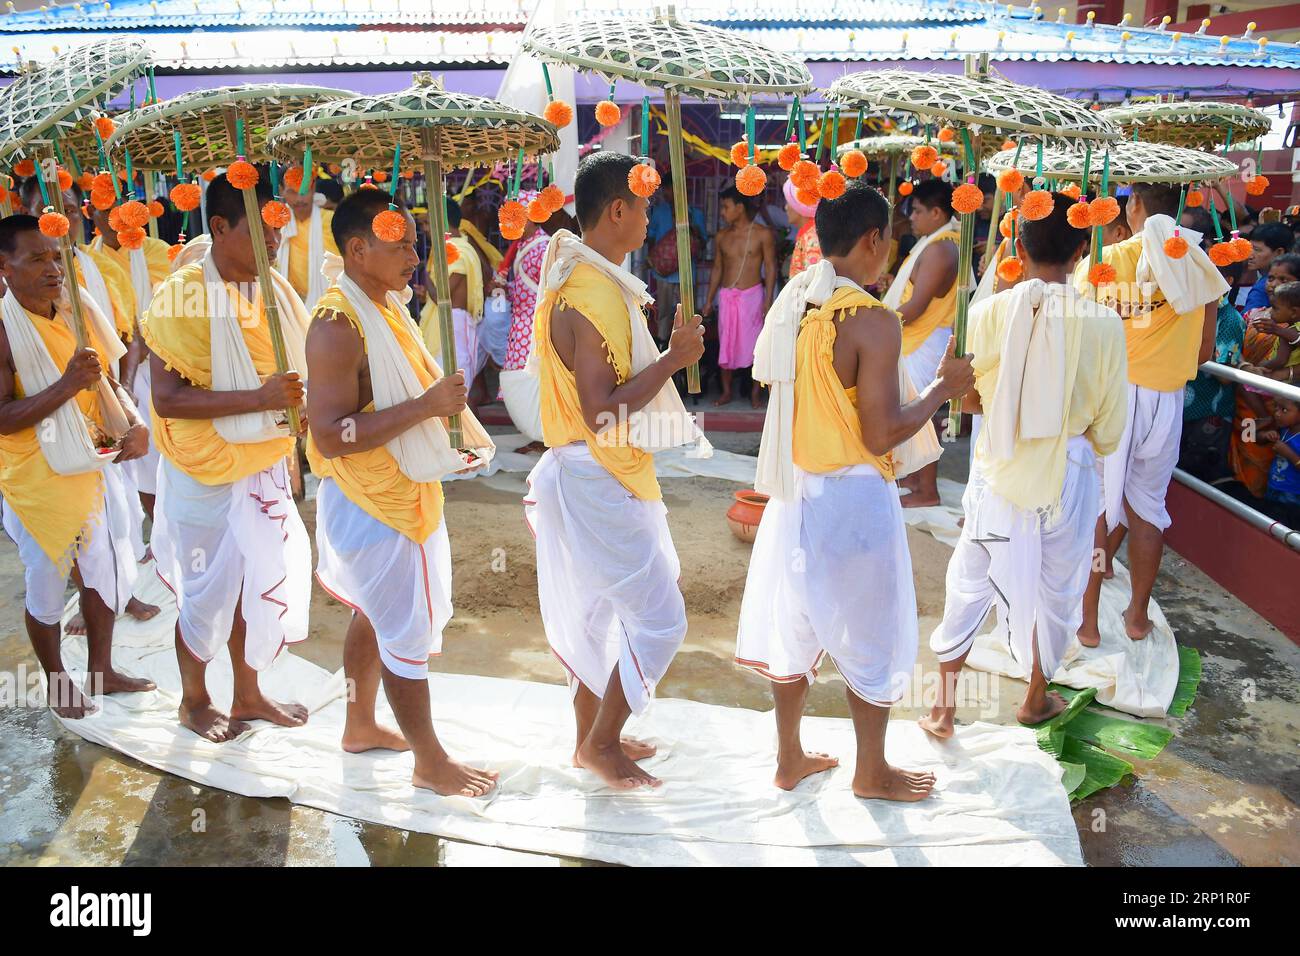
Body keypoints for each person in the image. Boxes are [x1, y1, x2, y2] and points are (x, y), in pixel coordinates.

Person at [736, 179, 972, 798]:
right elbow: (881, 434)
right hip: (853, 501)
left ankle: (789, 757)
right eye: (890, 238)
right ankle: (871, 771)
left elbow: (769, 381)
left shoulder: (797, 302)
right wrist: (942, 391)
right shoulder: (871, 320)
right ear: (872, 240)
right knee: (870, 631)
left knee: (795, 629)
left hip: (796, 496)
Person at [304, 189, 499, 797]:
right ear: (358, 249)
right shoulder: (338, 325)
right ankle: (428, 759)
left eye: (415, 242)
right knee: (404, 632)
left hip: (391, 495)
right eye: (401, 244)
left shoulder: (383, 305)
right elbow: (331, 437)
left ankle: (360, 724)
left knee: (374, 614)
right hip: (372, 503)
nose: (414, 255)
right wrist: (426, 406)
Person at [524, 151, 706, 790]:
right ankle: (601, 743)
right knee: (661, 621)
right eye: (646, 204)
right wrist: (676, 359)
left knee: (600, 614)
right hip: (596, 472)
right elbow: (602, 412)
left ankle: (589, 738)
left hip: (593, 472)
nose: (652, 216)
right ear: (619, 209)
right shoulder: (592, 288)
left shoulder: (584, 278)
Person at [923, 194, 1127, 736]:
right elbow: (1109, 426)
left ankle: (942, 710)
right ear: (1084, 248)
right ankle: (1035, 698)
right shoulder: (1105, 323)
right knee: (1058, 589)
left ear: (1016, 245)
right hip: (1074, 469)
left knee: (971, 579)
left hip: (1002, 466)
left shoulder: (987, 312)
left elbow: (962, 398)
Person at [142, 173, 313, 742]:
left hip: (263, 463)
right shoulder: (183, 294)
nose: (275, 238)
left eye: (278, 224)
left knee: (254, 580)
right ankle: (193, 700)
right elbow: (166, 399)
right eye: (262, 226)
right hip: (203, 472)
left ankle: (247, 694)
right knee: (205, 592)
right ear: (219, 226)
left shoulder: (278, 292)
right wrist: (258, 399)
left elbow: (295, 378)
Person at [0, 214, 155, 717]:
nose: (53, 268)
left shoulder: (74, 309)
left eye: (54, 256)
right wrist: (66, 384)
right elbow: (3, 419)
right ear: (4, 266)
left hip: (92, 460)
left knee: (103, 567)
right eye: (37, 258)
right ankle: (56, 680)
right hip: (34, 477)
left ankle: (102, 670)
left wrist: (133, 421)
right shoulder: (3, 329)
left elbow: (105, 380)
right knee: (46, 578)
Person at [1075, 182, 1228, 645]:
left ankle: (1086, 624)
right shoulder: (1200, 264)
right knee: (1148, 511)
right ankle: (1137, 617)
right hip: (1167, 399)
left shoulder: (1105, 260)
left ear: (1134, 204)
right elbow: (1204, 351)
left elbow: (1079, 342)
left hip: (1113, 397)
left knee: (1099, 508)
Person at [884, 178, 967, 508]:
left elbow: (917, 307)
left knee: (920, 412)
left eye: (917, 211)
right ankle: (916, 481)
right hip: (920, 338)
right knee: (914, 409)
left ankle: (927, 490)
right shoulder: (937, 243)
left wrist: (878, 323)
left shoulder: (940, 248)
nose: (912, 217)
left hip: (925, 338)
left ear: (936, 213)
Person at [702, 186, 776, 408]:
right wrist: (708, 300)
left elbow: (771, 267)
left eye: (725, 207)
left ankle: (755, 394)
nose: (722, 212)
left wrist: (768, 299)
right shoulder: (722, 236)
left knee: (757, 347)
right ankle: (726, 392)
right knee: (727, 344)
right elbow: (717, 269)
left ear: (740, 208)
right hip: (727, 298)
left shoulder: (763, 234)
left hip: (753, 297)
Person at [1233, 255, 1300, 496]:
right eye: (1271, 277)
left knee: (1272, 448)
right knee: (1249, 438)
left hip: (1279, 403)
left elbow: (1281, 360)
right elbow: (1233, 348)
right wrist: (1246, 368)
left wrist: (1275, 372)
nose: (1273, 284)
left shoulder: (1286, 327)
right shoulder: (1253, 316)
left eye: (1284, 279)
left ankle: (1261, 499)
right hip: (1247, 408)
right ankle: (1242, 494)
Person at [420, 198, 486, 402]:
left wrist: (424, 273)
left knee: (455, 395)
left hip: (452, 328)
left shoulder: (456, 251)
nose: (425, 229)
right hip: (450, 325)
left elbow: (442, 296)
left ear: (442, 222)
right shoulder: (456, 248)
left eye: (428, 223)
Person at [499, 191, 550, 447]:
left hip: (535, 328)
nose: (511, 225)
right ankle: (536, 434)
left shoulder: (543, 248)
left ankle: (544, 435)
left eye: (516, 218)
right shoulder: (524, 247)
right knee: (525, 379)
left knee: (537, 380)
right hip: (522, 327)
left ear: (530, 218)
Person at [645, 173, 705, 341]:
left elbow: (703, 242)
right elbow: (650, 237)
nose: (667, 193)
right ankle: (664, 343)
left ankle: (687, 346)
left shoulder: (694, 213)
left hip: (686, 273)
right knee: (664, 313)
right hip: (664, 274)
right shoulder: (659, 211)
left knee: (687, 315)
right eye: (666, 190)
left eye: (670, 189)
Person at [276, 170, 338, 312]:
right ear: (281, 191)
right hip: (290, 305)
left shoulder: (332, 221)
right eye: (292, 191)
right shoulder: (277, 223)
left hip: (330, 305)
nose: (300, 199)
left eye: (304, 191)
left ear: (313, 188)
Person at [1259, 395, 1300, 525]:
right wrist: (1265, 435)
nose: (1277, 413)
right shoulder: (1283, 429)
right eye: (1276, 407)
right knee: (1269, 524)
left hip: (1293, 494)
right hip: (1273, 487)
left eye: (1284, 410)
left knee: (1288, 528)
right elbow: (1253, 437)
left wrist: (1288, 453)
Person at [1242, 222, 1294, 314]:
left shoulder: (1263, 287)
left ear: (1279, 252)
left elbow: (1249, 320)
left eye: (1257, 250)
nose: (1250, 256)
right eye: (1250, 248)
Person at [783, 177, 821, 277]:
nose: (785, 207)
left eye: (789, 202)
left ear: (799, 205)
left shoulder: (813, 238)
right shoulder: (810, 233)